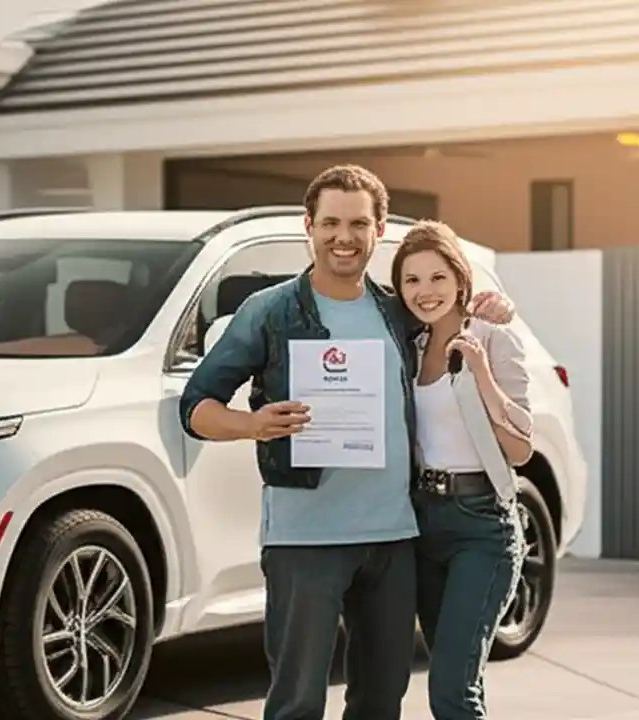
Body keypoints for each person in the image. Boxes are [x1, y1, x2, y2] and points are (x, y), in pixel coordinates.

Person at [178, 164, 515, 720]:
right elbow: (196, 408)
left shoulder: (397, 312)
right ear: (308, 226)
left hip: (393, 539)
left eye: (359, 224)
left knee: (380, 702)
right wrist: (253, 423)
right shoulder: (270, 311)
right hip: (304, 540)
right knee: (298, 704)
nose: (344, 237)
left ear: (378, 230)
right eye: (331, 223)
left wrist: (497, 305)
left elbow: (452, 308)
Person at [391, 219, 531, 720]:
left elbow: (521, 450)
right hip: (423, 524)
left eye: (437, 277)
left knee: (451, 690)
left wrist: (481, 375)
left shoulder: (493, 337)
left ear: (459, 279)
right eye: (412, 280)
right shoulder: (408, 345)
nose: (425, 291)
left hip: (481, 526)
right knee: (455, 679)